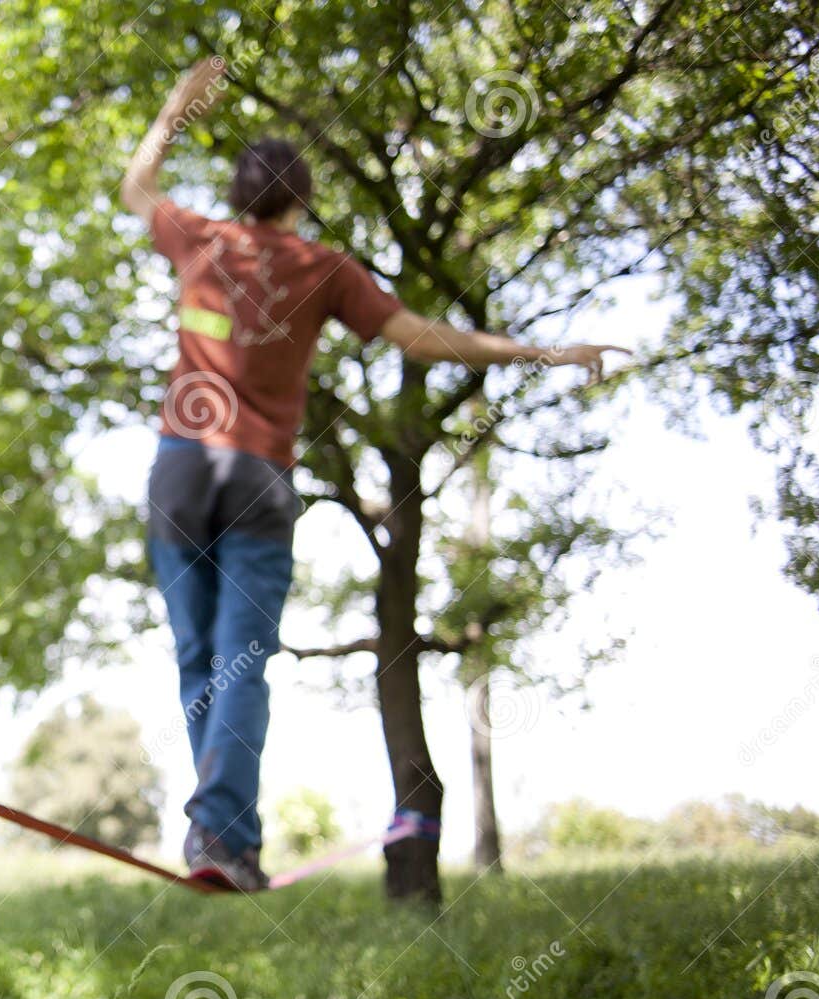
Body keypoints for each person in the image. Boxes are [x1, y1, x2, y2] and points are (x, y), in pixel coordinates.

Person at [120, 58, 627, 892]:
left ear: (240, 195)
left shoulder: (200, 237)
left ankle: (217, 826)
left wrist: (177, 106)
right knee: (240, 659)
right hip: (256, 479)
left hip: (181, 471)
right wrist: (542, 350)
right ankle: (222, 835)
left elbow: (137, 185)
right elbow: (421, 336)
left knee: (199, 657)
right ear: (300, 199)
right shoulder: (325, 267)